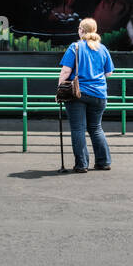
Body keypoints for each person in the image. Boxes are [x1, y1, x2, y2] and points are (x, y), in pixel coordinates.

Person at [57, 17, 114, 173]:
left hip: (77, 94)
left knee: (78, 129)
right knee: (96, 128)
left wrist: (59, 88)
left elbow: (66, 71)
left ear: (81, 30)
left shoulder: (75, 47)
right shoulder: (102, 49)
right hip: (99, 95)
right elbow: (109, 73)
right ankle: (104, 162)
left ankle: (81, 165)